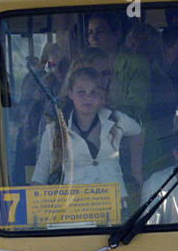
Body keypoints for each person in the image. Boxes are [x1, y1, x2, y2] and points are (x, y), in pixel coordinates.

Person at [30, 67, 144, 204]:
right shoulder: (55, 130)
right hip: (76, 209)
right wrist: (35, 210)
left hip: (116, 204)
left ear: (101, 95)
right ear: (70, 93)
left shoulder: (116, 119)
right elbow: (40, 174)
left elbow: (138, 132)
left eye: (94, 92)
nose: (88, 98)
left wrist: (136, 171)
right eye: (81, 92)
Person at [85, 11, 151, 124]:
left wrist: (102, 114)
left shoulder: (136, 63)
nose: (94, 38)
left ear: (116, 34)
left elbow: (136, 106)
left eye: (100, 32)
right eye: (90, 33)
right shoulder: (86, 63)